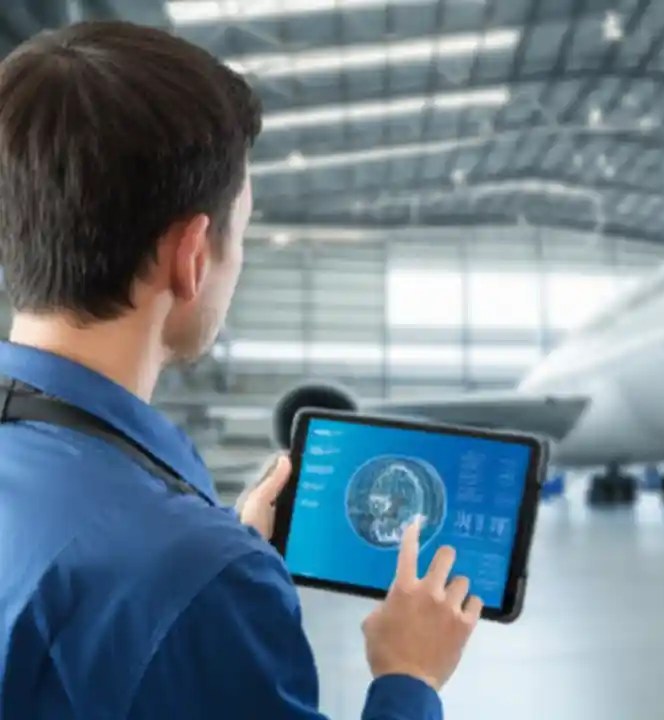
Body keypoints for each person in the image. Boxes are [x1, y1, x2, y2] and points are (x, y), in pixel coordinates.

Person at [0, 22, 480, 719]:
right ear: (192, 255)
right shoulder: (190, 573)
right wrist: (409, 677)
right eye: (242, 231)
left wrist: (218, 540)